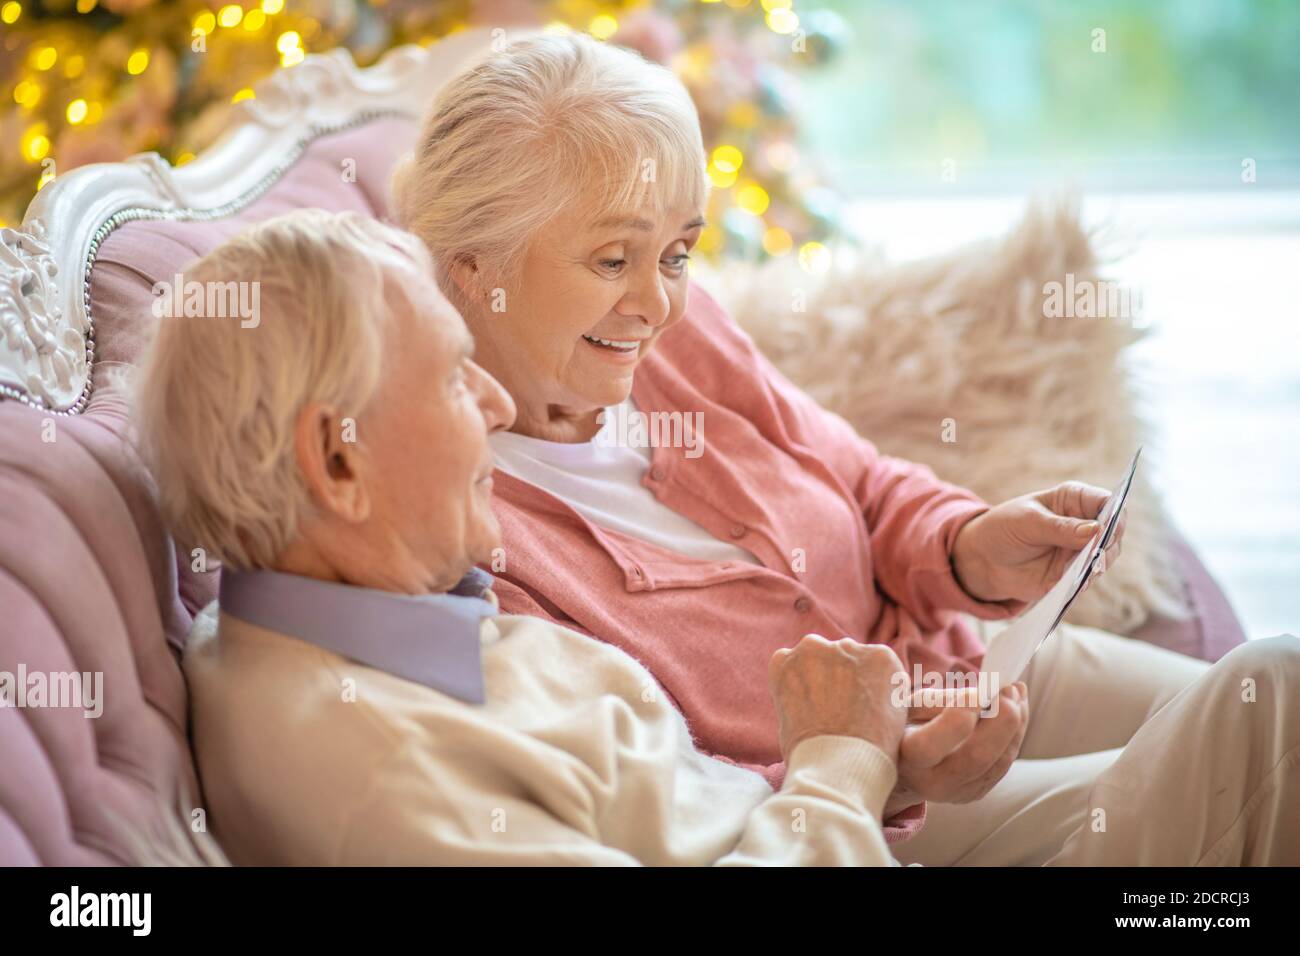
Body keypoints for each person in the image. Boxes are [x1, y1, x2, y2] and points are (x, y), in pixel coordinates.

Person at [390, 31, 1300, 863]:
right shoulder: (465, 529)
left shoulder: (676, 336)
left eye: (675, 254)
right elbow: (665, 811)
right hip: (881, 810)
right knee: (1269, 718)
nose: (659, 303)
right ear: (475, 264)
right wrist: (886, 766)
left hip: (966, 662)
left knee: (1281, 697)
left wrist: (963, 547)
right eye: (612, 260)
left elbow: (855, 474)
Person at [135, 209, 922, 865]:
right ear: (339, 459)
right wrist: (839, 768)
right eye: (452, 376)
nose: (499, 406)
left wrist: (876, 757)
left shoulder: (339, 609)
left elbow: (679, 813)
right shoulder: (386, 773)